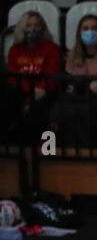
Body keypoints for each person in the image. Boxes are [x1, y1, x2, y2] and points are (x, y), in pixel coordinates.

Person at [51, 15, 97, 148]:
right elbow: (68, 85)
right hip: (78, 99)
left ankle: (87, 151)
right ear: (79, 32)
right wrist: (89, 85)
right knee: (56, 108)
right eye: (85, 28)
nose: (90, 32)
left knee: (85, 110)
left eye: (94, 28)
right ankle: (50, 150)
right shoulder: (73, 53)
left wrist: (81, 86)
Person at [3, 11, 61, 144]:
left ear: (43, 28)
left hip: (44, 92)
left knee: (41, 110)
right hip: (21, 93)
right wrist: (29, 96)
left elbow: (51, 75)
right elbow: (13, 77)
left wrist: (34, 96)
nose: (33, 29)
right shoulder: (15, 50)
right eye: (28, 25)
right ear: (22, 28)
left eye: (37, 25)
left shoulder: (52, 48)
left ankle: (45, 152)